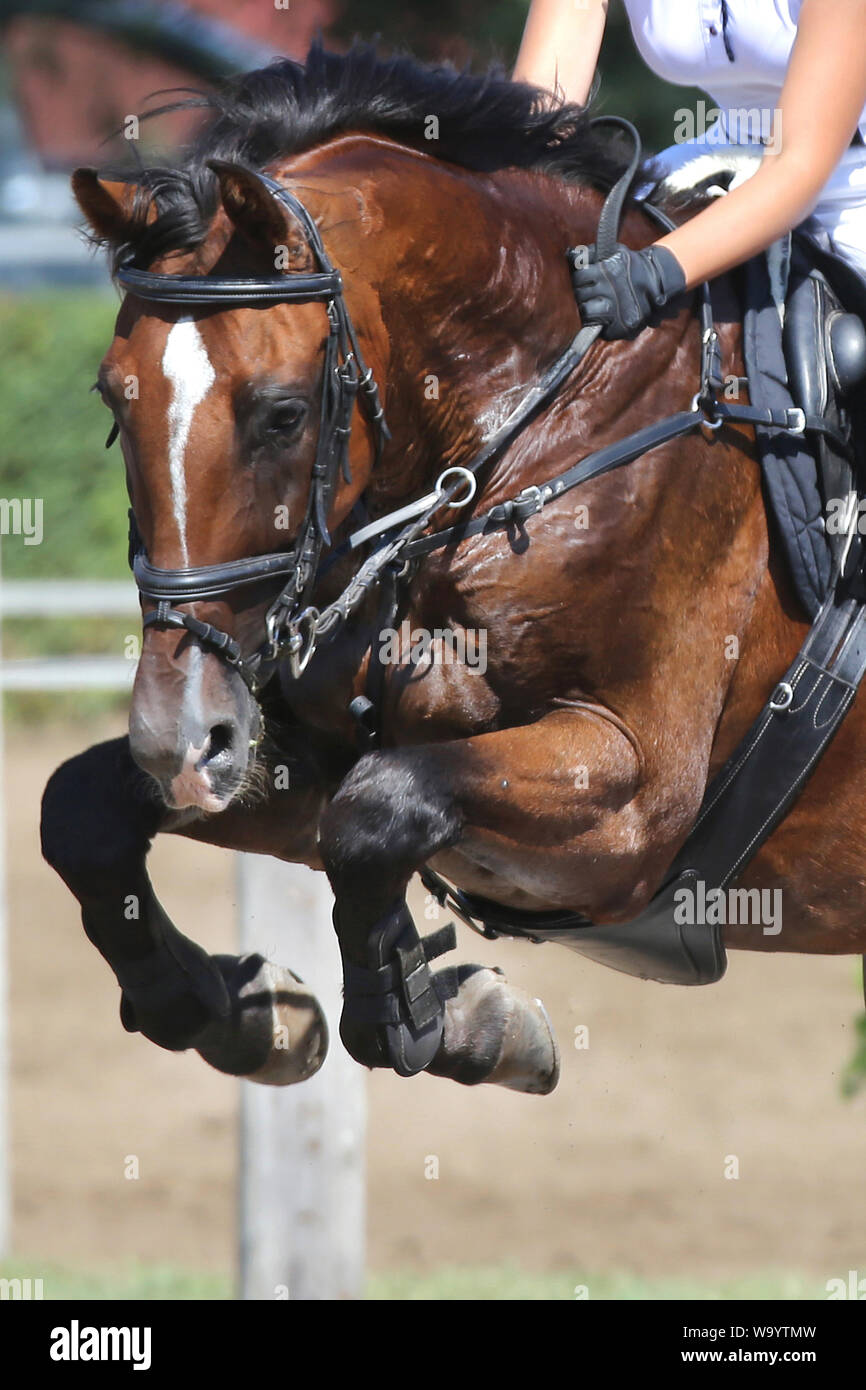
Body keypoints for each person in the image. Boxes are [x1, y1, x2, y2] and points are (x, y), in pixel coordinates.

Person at [514, 0, 866, 339]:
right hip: (729, 146)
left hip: (846, 179)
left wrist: (655, 271)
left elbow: (796, 165)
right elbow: (540, 129)